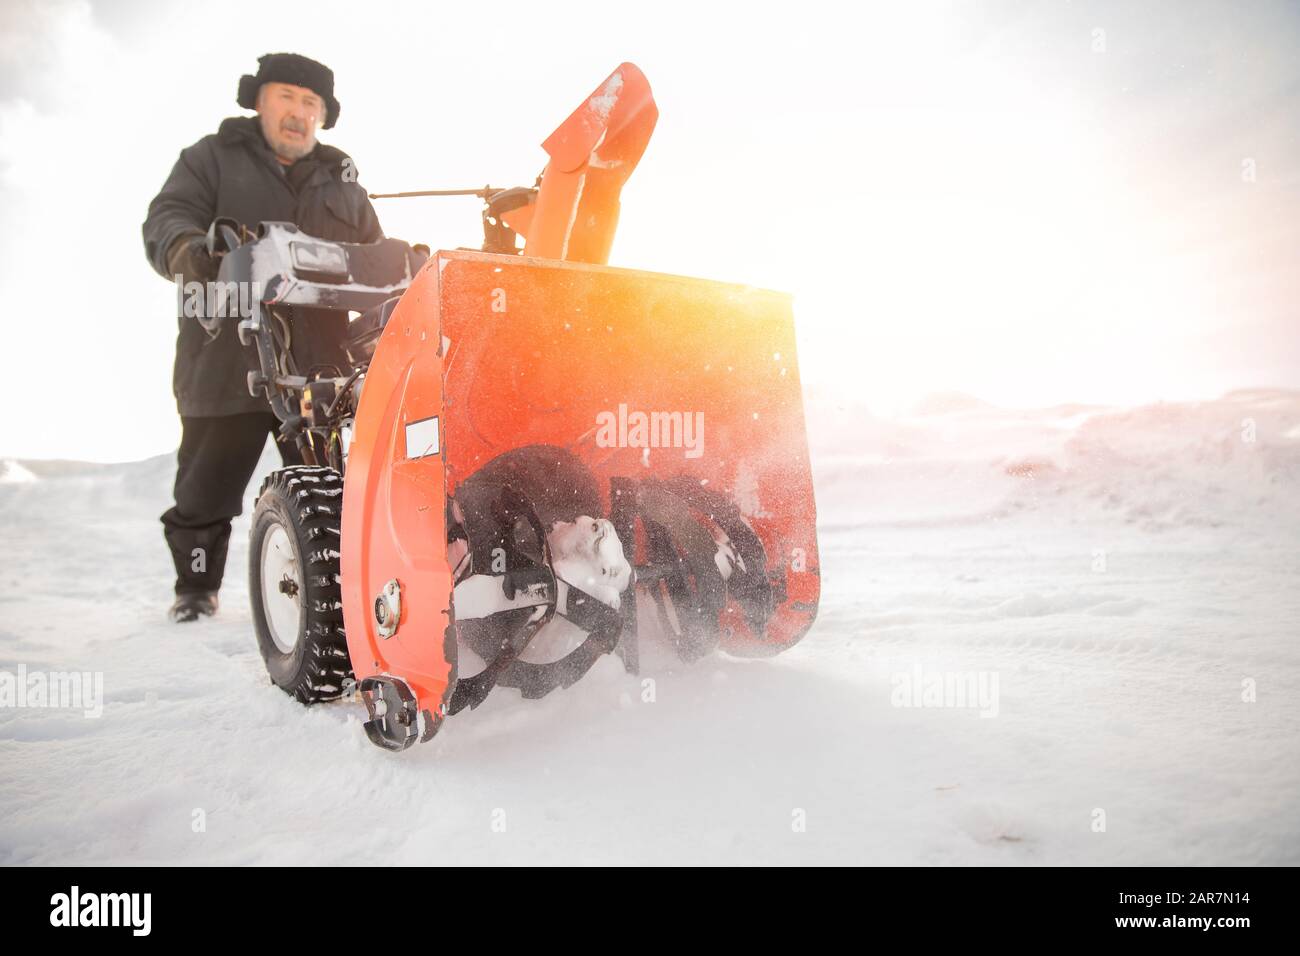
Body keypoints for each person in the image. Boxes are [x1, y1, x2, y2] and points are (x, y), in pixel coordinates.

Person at [142, 53, 383, 622]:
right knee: (207, 485)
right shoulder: (210, 158)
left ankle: (333, 587)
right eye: (287, 97)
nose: (298, 113)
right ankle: (195, 587)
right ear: (258, 100)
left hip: (318, 366)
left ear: (323, 115)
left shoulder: (342, 179)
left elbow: (374, 256)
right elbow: (167, 218)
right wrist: (187, 250)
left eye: (311, 104)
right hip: (225, 352)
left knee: (328, 485)